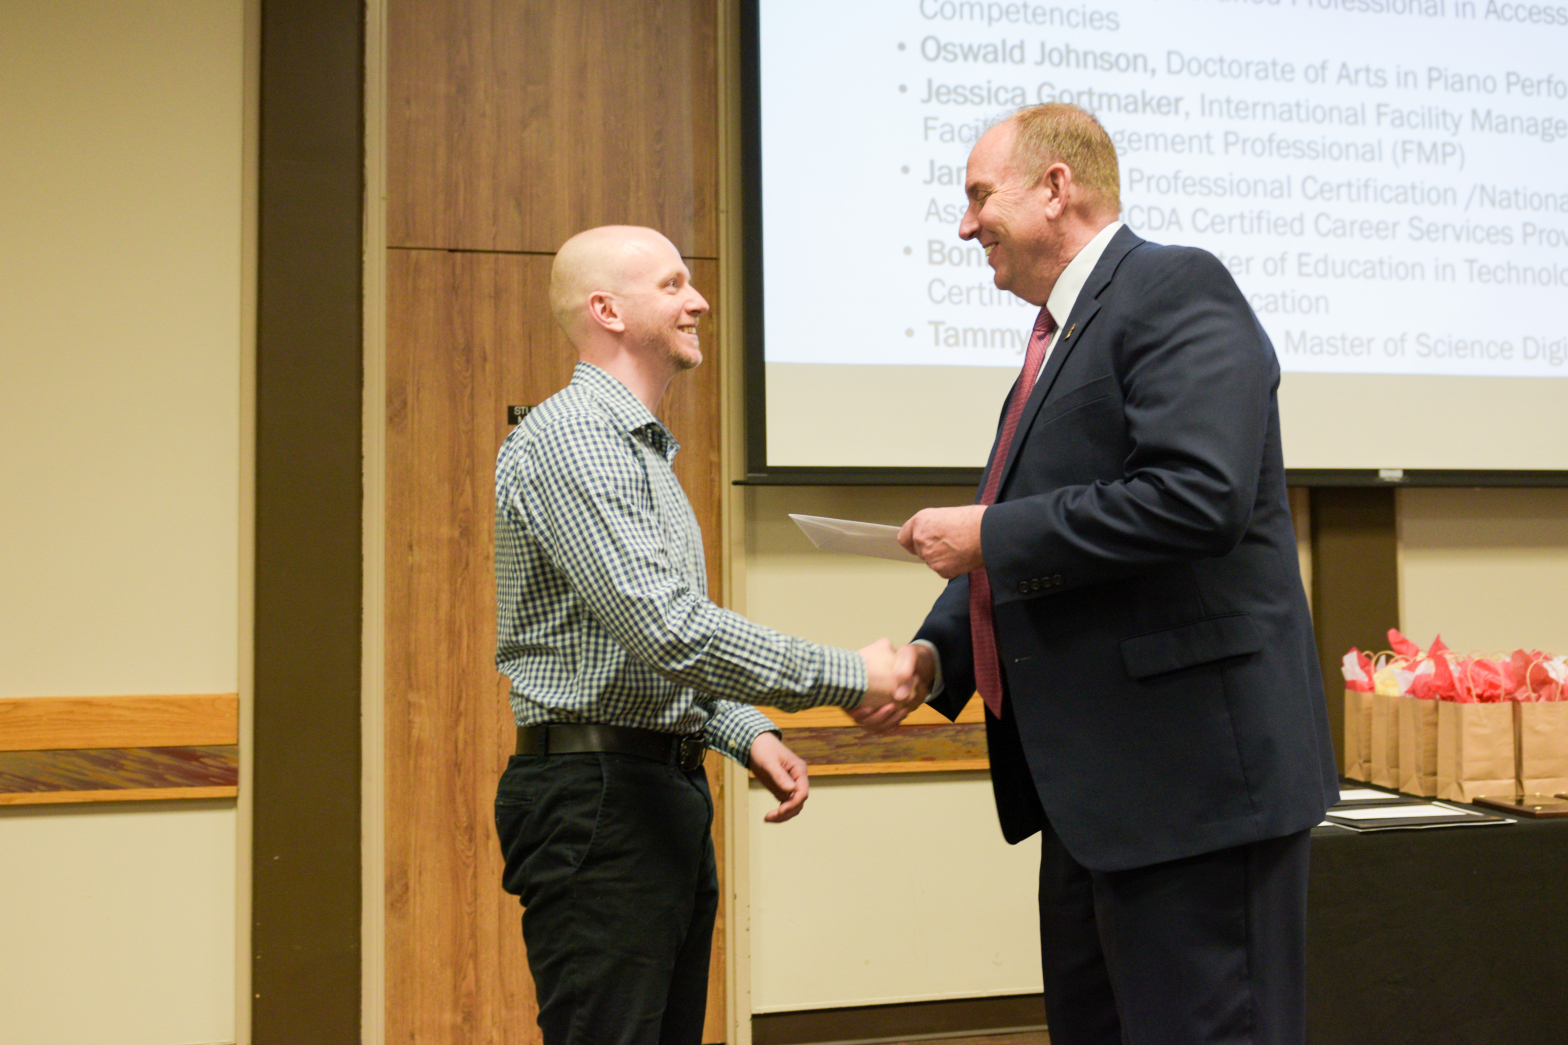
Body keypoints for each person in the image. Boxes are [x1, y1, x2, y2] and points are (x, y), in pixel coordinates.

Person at [862, 105, 1340, 1045]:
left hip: (1194, 792)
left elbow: (1198, 496)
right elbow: (1031, 538)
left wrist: (990, 533)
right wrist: (932, 654)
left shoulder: (1174, 286)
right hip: (1098, 800)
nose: (964, 227)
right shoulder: (1054, 342)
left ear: (1055, 187)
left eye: (977, 196)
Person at [493, 225, 913, 1045]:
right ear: (606, 309)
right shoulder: (575, 438)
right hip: (599, 800)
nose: (701, 300)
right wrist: (849, 674)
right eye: (674, 284)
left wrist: (743, 730)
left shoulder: (639, 452)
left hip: (654, 790)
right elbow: (668, 631)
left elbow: (635, 648)